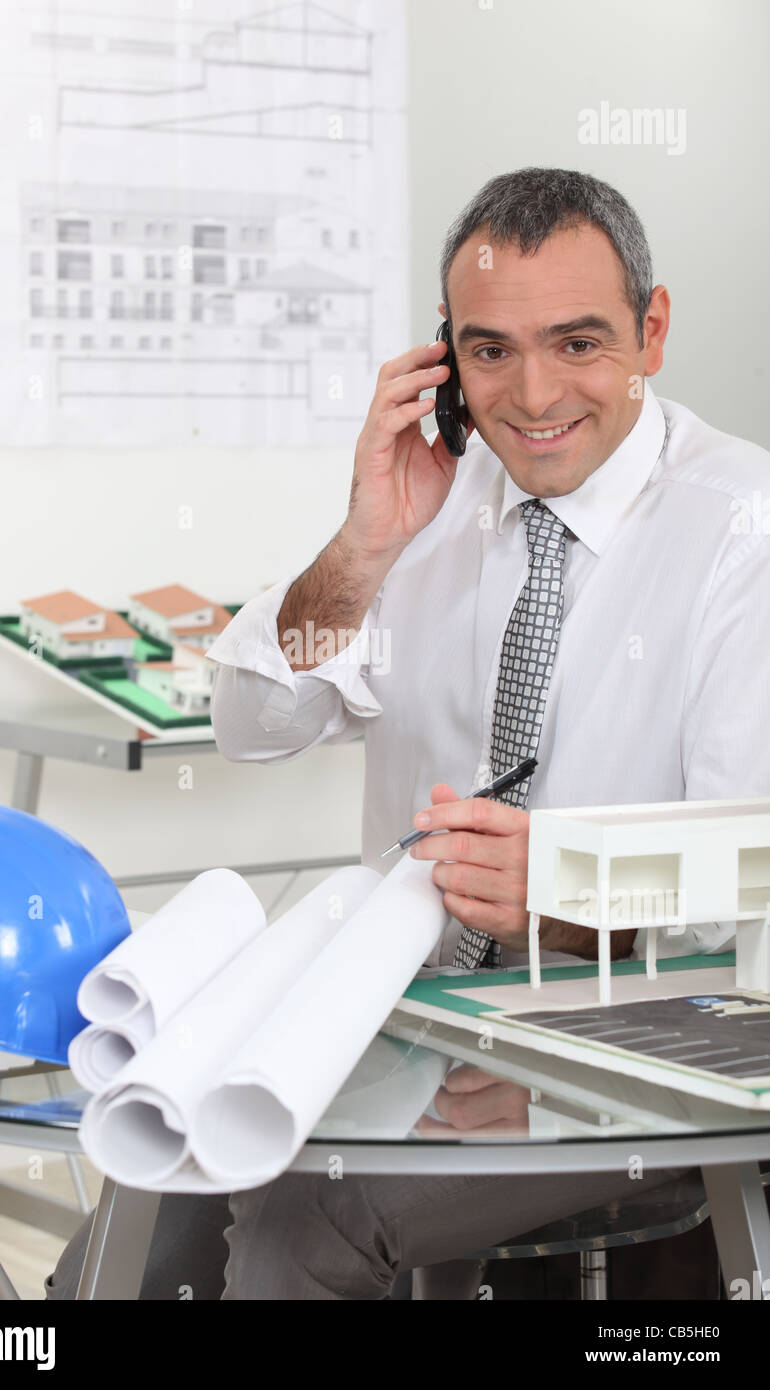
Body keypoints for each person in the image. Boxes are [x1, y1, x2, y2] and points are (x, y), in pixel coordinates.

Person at [46, 167, 770, 1300]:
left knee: (302, 1215)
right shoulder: (432, 502)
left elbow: (750, 875)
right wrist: (363, 544)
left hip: (625, 1047)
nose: (530, 396)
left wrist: (569, 896)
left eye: (576, 343)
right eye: (489, 351)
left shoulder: (741, 529)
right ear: (444, 358)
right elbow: (249, 724)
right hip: (396, 1015)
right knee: (135, 1203)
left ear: (651, 329)